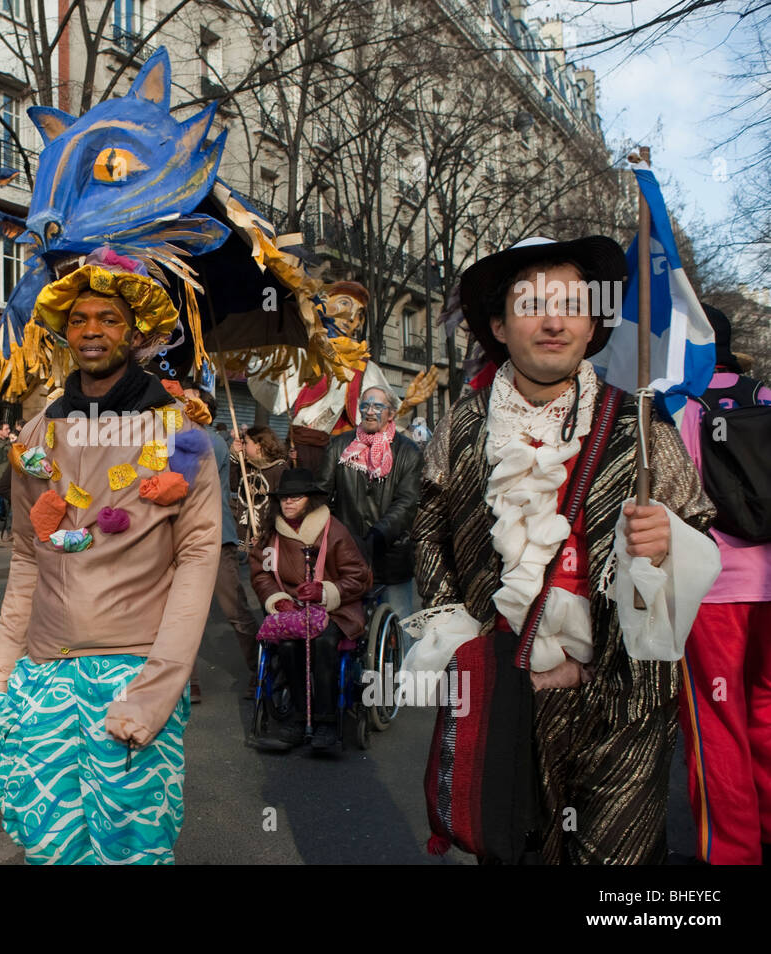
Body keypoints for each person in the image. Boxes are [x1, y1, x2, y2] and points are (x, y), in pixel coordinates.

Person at [406, 236, 720, 864]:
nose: (553, 321)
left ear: (594, 321)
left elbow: (698, 536)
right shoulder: (462, 425)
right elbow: (430, 529)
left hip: (620, 701)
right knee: (513, 849)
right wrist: (462, 641)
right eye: (532, 305)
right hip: (505, 693)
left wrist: (668, 545)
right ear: (499, 324)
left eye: (571, 304)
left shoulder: (640, 425)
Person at [0, 248, 220, 864]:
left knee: (132, 849)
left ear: (133, 333)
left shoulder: (180, 436)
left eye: (107, 318)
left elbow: (197, 559)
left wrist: (156, 691)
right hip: (46, 674)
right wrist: (0, 675)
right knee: (51, 846)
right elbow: (27, 559)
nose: (91, 331)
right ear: (65, 332)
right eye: (79, 320)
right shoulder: (36, 436)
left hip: (130, 672)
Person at [675, 303, 771, 865]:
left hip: (714, 589)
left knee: (717, 723)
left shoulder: (682, 408)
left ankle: (732, 854)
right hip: (768, 582)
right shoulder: (764, 395)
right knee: (764, 709)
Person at [249, 470, 373, 751]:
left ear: (311, 500)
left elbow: (359, 577)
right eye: (283, 497)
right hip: (294, 610)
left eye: (296, 497)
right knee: (290, 645)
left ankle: (326, 721)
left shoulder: (334, 530)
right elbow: (260, 575)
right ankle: (296, 717)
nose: (288, 502)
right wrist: (278, 600)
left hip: (337, 608)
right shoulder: (271, 536)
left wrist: (325, 590)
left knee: (326, 640)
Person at [317, 385, 423, 622]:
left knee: (400, 623)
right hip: (347, 556)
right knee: (348, 627)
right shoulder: (338, 446)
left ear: (392, 413)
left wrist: (377, 535)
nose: (370, 411)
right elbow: (322, 494)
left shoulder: (409, 452)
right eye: (365, 405)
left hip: (391, 556)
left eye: (378, 406)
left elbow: (407, 503)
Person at [189, 384, 261, 698]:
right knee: (183, 613)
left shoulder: (212, 441)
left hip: (215, 537)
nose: (180, 405)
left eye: (188, 401)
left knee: (235, 609)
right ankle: (187, 682)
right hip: (183, 539)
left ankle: (263, 671)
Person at [229, 425, 288, 549]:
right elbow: (233, 485)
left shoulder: (279, 469)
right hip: (241, 535)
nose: (243, 445)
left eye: (246, 442)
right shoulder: (246, 465)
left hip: (265, 537)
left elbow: (281, 505)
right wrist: (234, 456)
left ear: (258, 446)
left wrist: (268, 532)